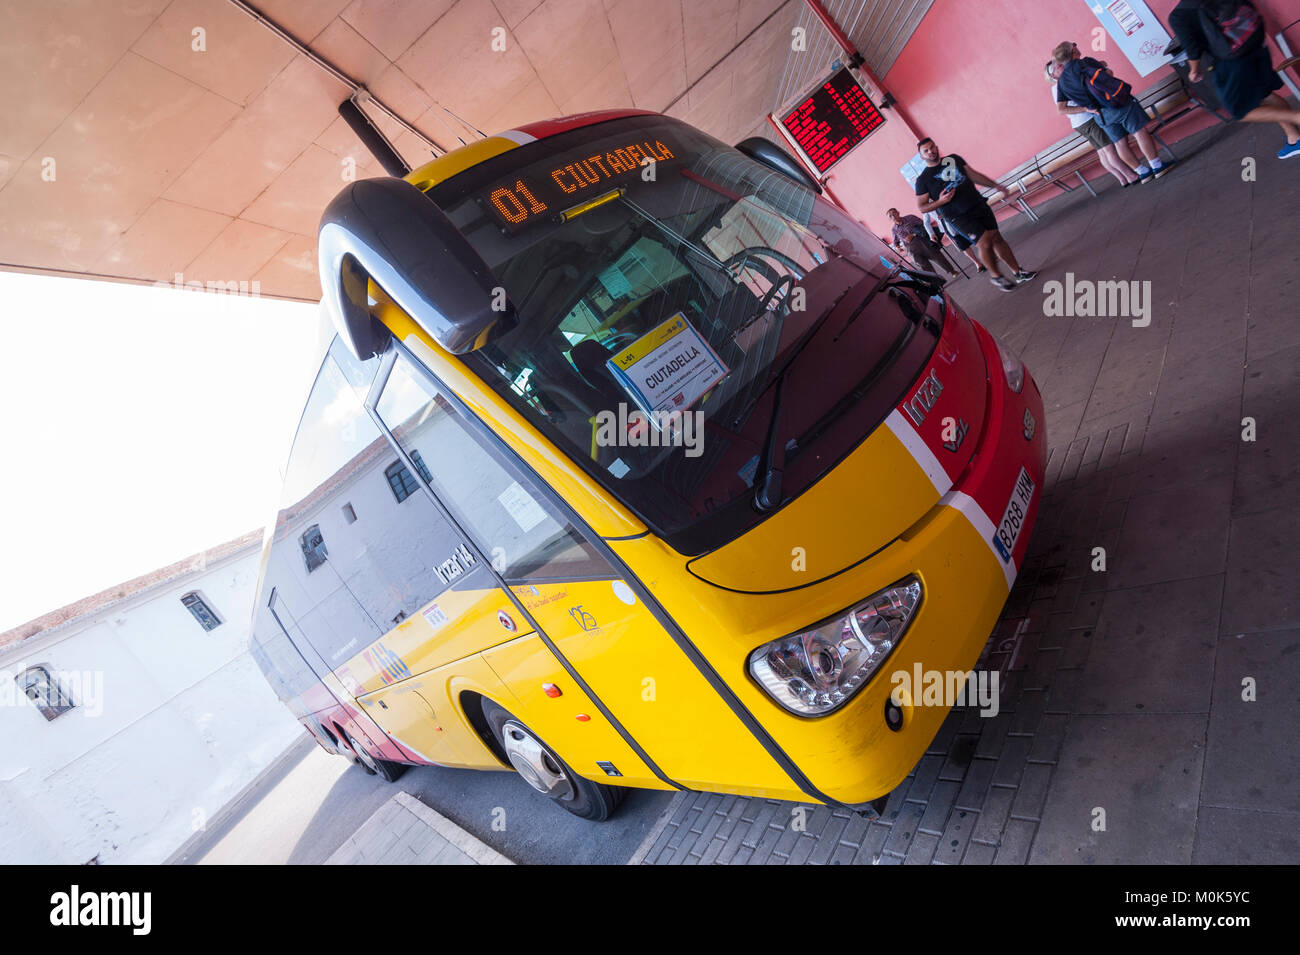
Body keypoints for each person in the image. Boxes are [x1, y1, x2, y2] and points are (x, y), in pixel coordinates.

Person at [1168, 0, 1300, 158]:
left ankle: (1296, 118)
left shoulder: (1179, 16)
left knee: (1241, 111)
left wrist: (1194, 70)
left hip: (1230, 62)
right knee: (1266, 94)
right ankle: (1295, 139)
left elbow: (1192, 50)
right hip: (1255, 45)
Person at [913, 138, 1037, 291]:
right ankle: (997, 277)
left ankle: (1018, 273)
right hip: (957, 215)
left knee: (997, 238)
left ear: (936, 147)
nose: (930, 151)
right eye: (926, 150)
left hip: (977, 204)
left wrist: (995, 185)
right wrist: (941, 201)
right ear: (921, 156)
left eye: (932, 147)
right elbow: (922, 207)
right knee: (984, 241)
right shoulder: (923, 180)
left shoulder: (954, 159)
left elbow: (973, 175)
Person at [1053, 41, 1173, 182]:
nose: (1077, 47)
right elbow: (1108, 75)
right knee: (1139, 132)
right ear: (1073, 51)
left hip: (1099, 115)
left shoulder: (1062, 83)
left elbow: (1061, 109)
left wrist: (1086, 108)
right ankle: (1157, 166)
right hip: (1118, 104)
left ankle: (1142, 172)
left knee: (1120, 143)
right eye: (1074, 46)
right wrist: (1104, 67)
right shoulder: (1085, 62)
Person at [1046, 59, 1139, 187]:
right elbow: (1061, 110)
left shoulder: (1058, 85)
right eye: (1059, 67)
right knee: (1109, 149)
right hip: (1087, 120)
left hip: (1080, 124)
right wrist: (1085, 109)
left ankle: (1122, 179)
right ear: (1053, 75)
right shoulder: (1061, 85)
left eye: (1061, 64)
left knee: (1103, 152)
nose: (1063, 66)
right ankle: (1131, 176)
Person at [887, 207, 958, 277]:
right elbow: (896, 242)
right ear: (889, 219)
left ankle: (952, 271)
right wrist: (898, 247)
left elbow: (923, 225)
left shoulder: (910, 218)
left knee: (937, 257)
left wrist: (913, 234)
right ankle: (937, 282)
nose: (893, 216)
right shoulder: (894, 230)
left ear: (898, 213)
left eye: (894, 213)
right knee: (924, 266)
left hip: (923, 241)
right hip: (911, 249)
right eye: (890, 216)